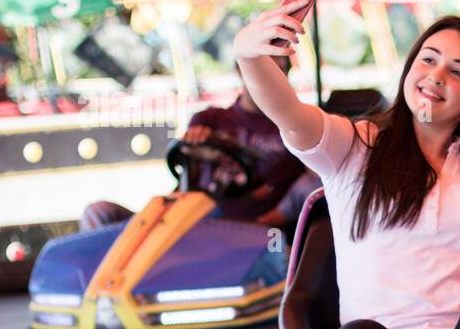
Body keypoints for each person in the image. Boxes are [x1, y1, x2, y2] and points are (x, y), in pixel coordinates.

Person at [233, 2, 460, 329]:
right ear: (409, 69)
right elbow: (288, 114)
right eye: (428, 60)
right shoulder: (355, 146)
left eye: (457, 72)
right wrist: (249, 55)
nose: (436, 76)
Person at [80, 55, 307, 230]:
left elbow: (311, 182)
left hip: (254, 227)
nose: (269, 80)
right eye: (263, 71)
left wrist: (270, 220)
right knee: (99, 212)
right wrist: (198, 149)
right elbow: (185, 155)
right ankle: (102, 288)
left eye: (279, 71)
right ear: (242, 70)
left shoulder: (296, 125)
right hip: (188, 219)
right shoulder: (210, 119)